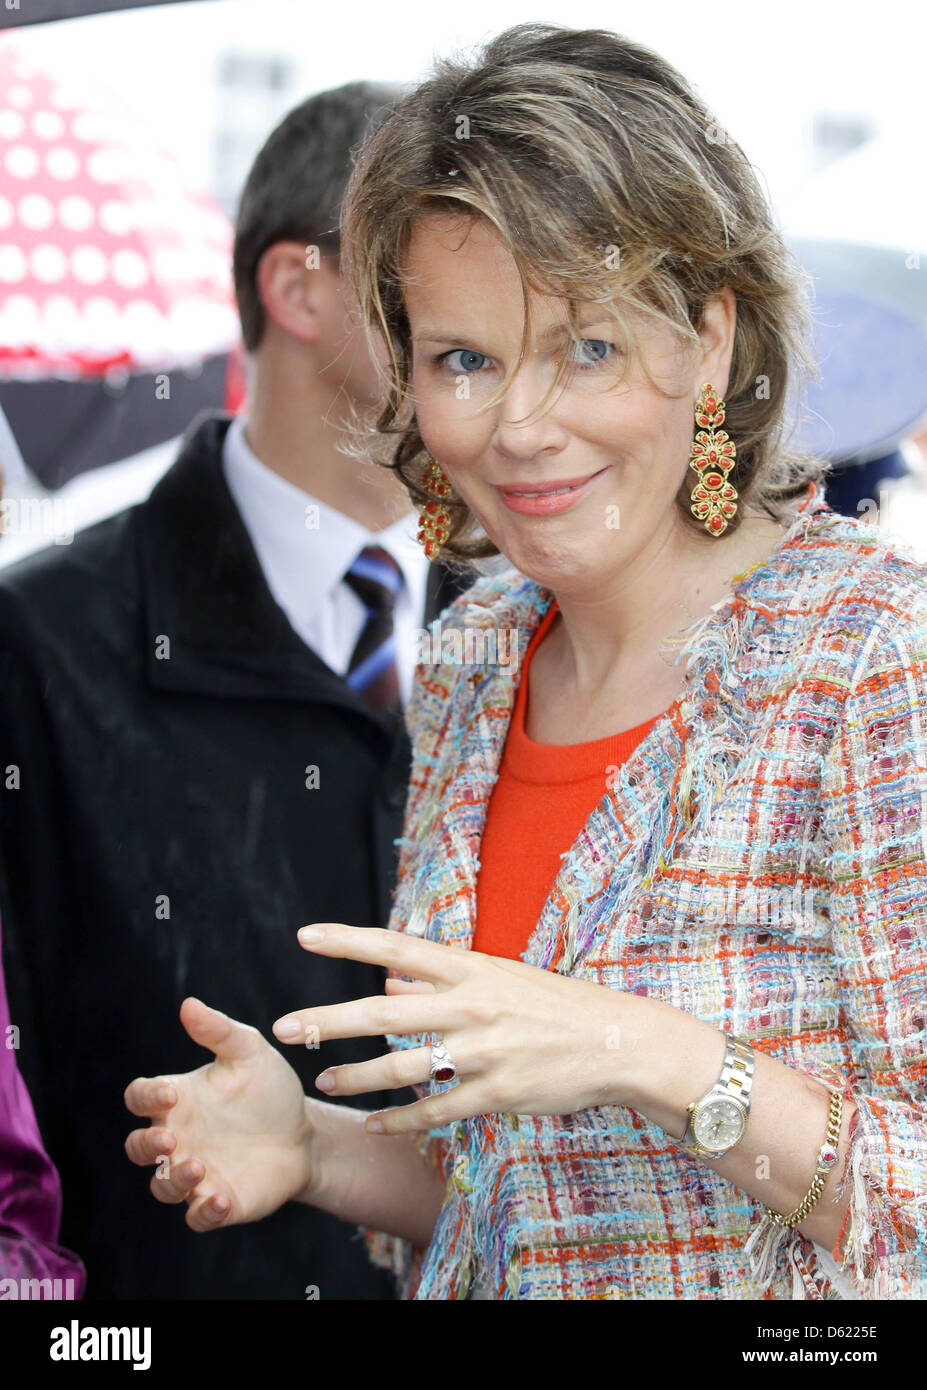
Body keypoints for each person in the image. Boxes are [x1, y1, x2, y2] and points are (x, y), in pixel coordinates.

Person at [124, 25, 927, 1299]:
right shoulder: (471, 658)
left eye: (587, 348)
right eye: (465, 360)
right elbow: (518, 1183)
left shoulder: (874, 661)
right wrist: (316, 1150)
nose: (519, 429)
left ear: (708, 340)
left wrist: (648, 1050)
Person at [0, 82, 468, 1300]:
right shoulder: (44, 640)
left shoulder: (536, 619)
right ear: (296, 285)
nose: (475, 316)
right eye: (423, 265)